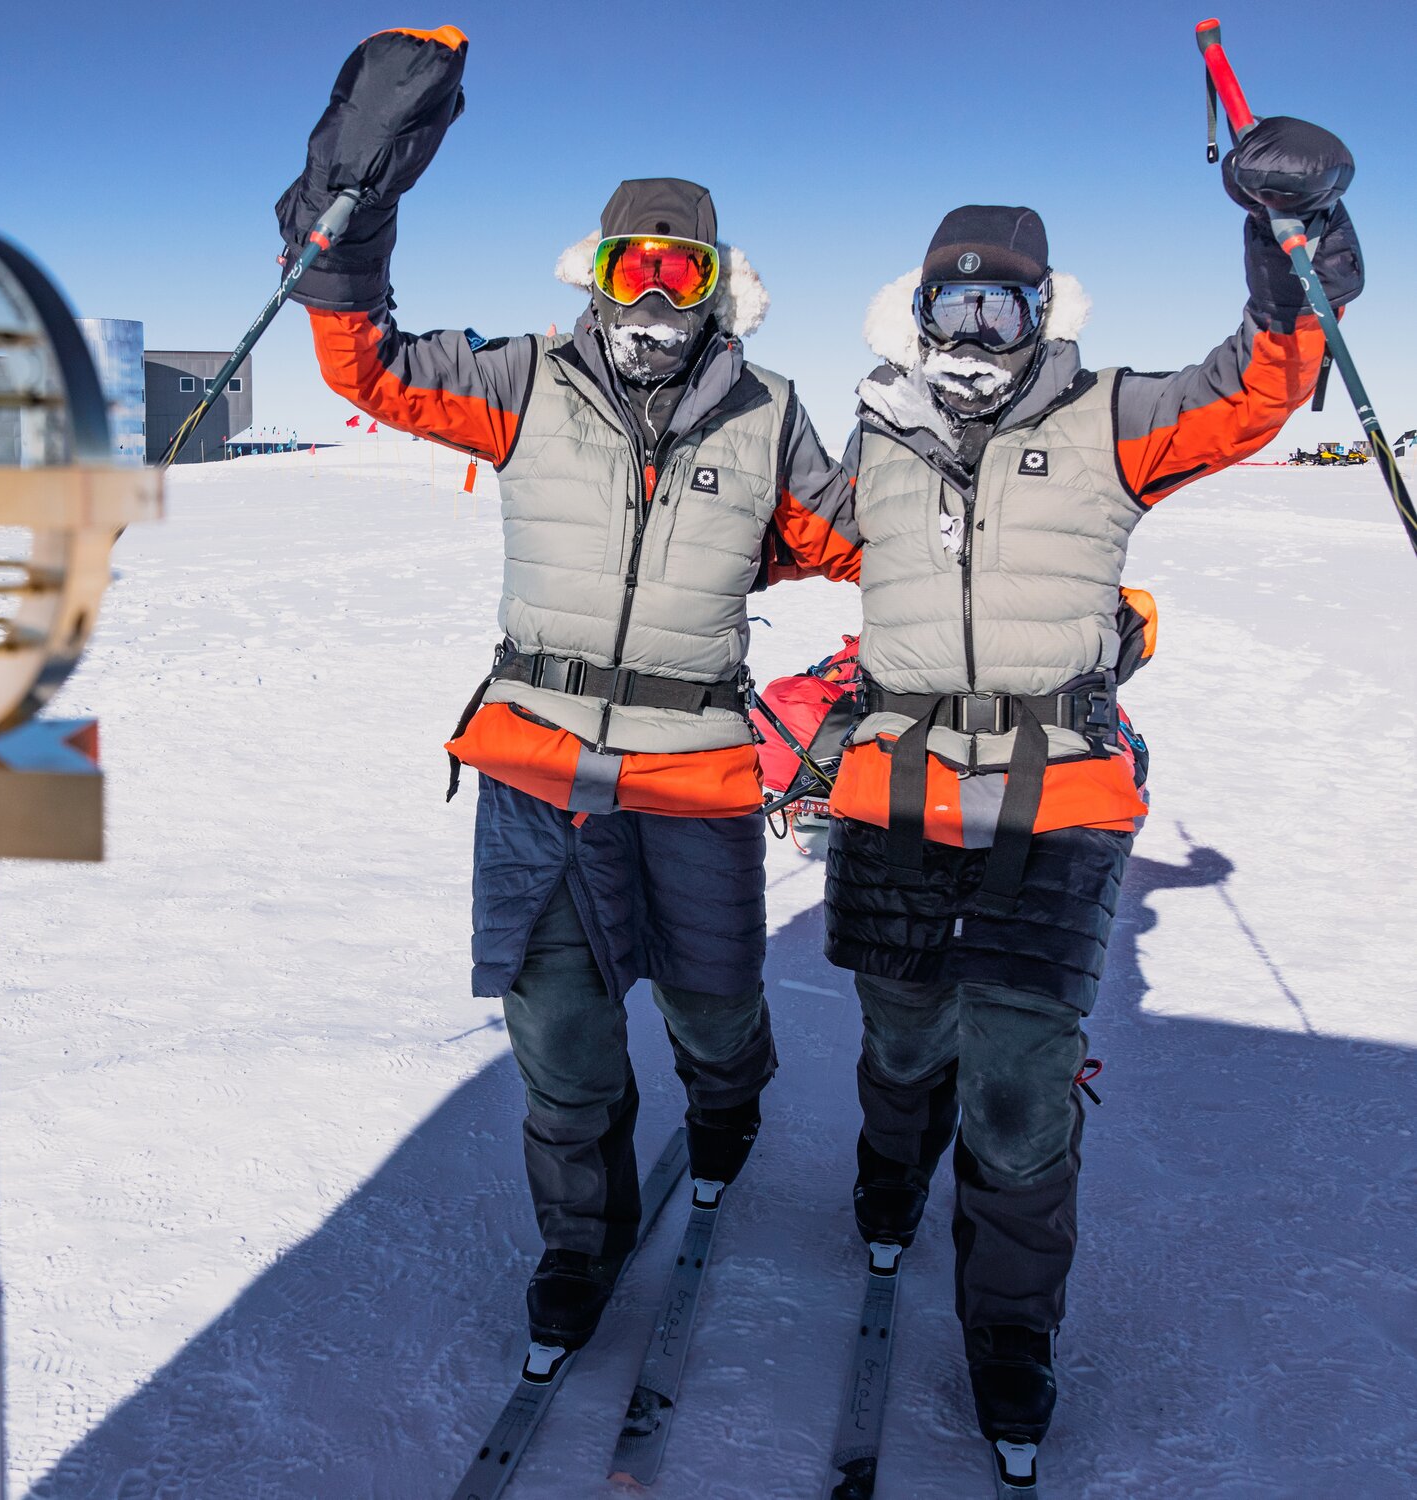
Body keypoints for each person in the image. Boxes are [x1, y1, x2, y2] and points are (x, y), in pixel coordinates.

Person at [759, 119, 1363, 1465]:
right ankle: (884, 1180)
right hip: (896, 793)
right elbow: (758, 524)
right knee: (904, 1039)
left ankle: (1009, 1335)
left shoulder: (1111, 419)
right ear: (915, 315)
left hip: (1058, 801)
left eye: (1004, 302)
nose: (976, 328)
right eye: (952, 302)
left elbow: (1260, 386)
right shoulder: (872, 448)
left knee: (1021, 1091)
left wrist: (1295, 241)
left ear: (1044, 312)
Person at [273, 28, 842, 1363]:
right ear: (592, 274)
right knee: (562, 1044)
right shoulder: (523, 378)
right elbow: (363, 368)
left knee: (716, 1014)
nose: (652, 291)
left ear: (718, 287)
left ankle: (727, 1102)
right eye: (628, 265)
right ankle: (579, 1248)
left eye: (679, 267)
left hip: (698, 770)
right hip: (537, 767)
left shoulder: (769, 411)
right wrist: (351, 208)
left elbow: (863, 537)